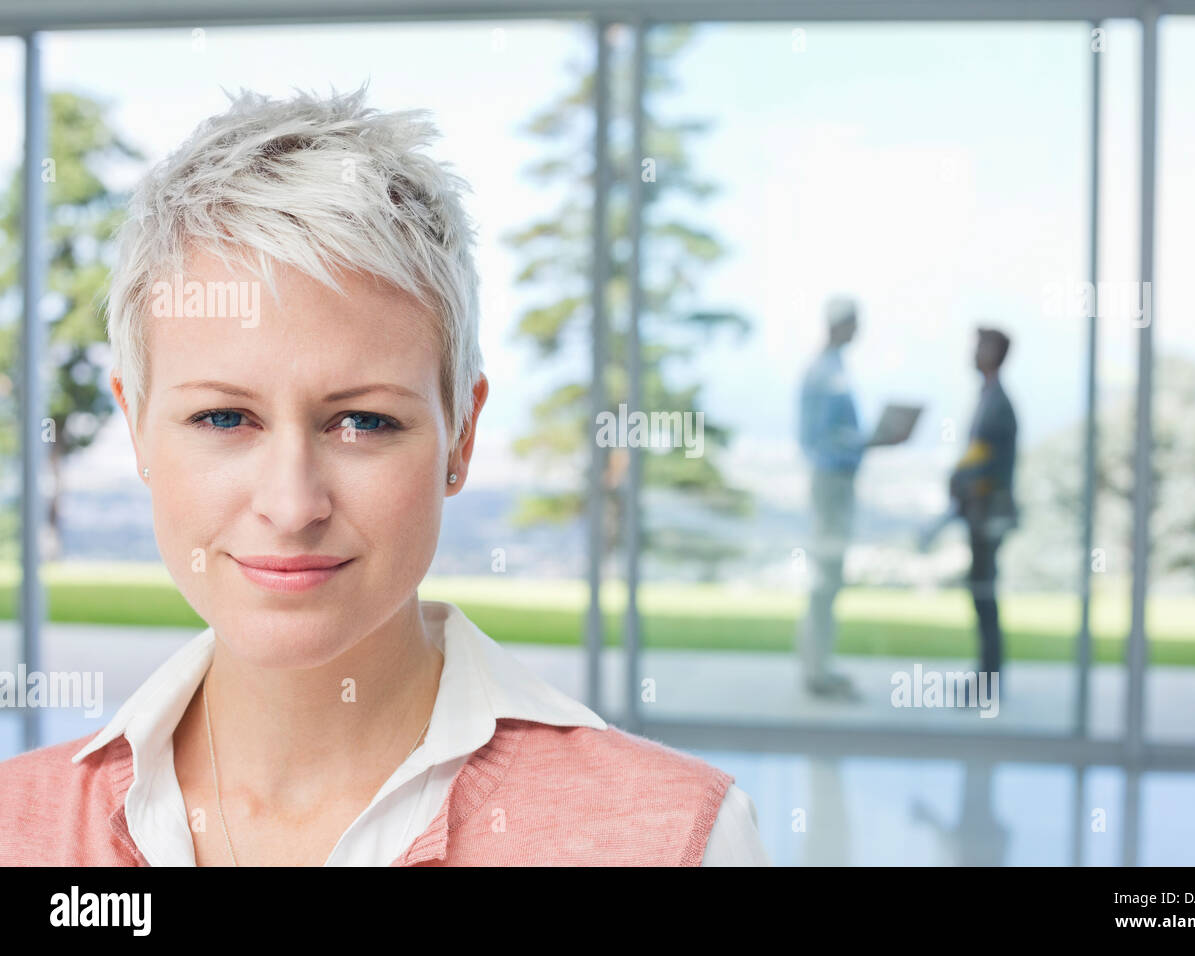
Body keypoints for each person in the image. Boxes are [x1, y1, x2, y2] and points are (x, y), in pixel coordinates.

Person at [0, 85, 769, 867]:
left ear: (460, 436)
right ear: (136, 426)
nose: (292, 505)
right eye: (225, 419)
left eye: (363, 421)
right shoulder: (15, 829)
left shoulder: (672, 841)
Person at [796, 297, 873, 699]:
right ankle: (816, 670)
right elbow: (819, 438)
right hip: (831, 481)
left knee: (831, 576)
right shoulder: (824, 373)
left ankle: (820, 665)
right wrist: (864, 442)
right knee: (826, 576)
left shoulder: (834, 369)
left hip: (838, 480)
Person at [948, 327, 1018, 687]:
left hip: (989, 514)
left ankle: (988, 681)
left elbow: (984, 460)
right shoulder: (988, 397)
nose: (973, 352)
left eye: (980, 346)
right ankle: (986, 677)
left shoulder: (996, 403)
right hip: (980, 513)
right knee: (982, 593)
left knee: (984, 594)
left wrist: (958, 478)